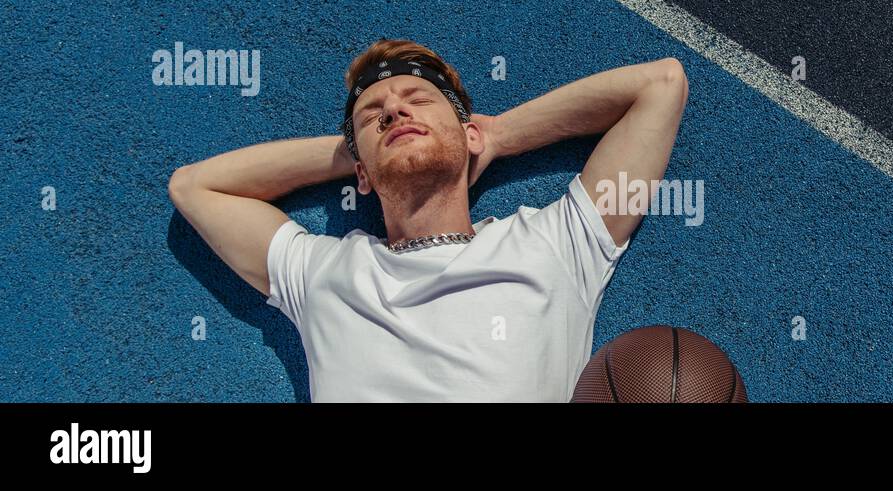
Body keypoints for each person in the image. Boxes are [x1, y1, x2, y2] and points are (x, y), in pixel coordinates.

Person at [168, 39, 688, 402]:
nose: (394, 111)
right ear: (361, 177)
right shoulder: (323, 272)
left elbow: (660, 85)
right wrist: (358, 156)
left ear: (468, 134)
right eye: (373, 116)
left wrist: (499, 135)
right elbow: (194, 187)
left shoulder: (556, 245)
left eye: (417, 99)